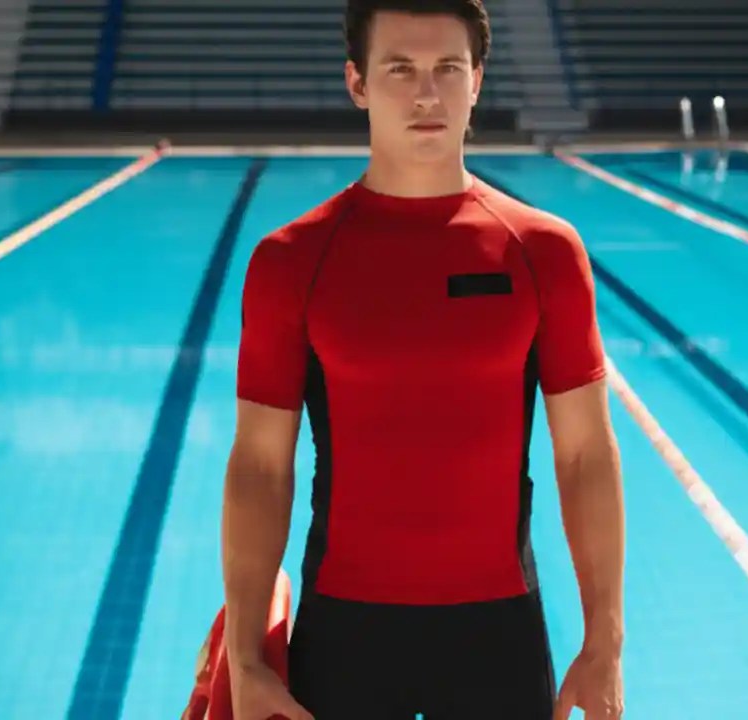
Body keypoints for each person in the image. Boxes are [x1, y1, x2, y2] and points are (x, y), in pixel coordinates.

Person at [220, 1, 625, 717]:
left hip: (498, 637)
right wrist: (247, 658)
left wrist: (604, 644)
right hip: (343, 637)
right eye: (400, 70)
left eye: (447, 69)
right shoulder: (292, 261)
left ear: (477, 82)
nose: (427, 94)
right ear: (357, 83)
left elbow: (586, 455)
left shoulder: (544, 252)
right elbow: (259, 465)